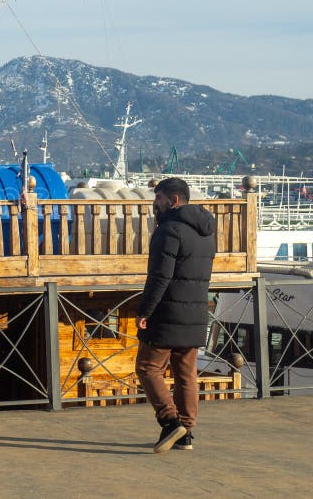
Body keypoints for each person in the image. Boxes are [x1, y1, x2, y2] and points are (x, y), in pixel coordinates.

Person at [136, 177, 215, 453]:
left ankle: (170, 422)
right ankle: (185, 434)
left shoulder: (168, 230)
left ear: (174, 200)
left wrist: (145, 310)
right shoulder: (206, 230)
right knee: (186, 374)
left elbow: (160, 276)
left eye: (158, 198)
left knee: (147, 367)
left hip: (167, 311)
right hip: (196, 312)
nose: (154, 203)